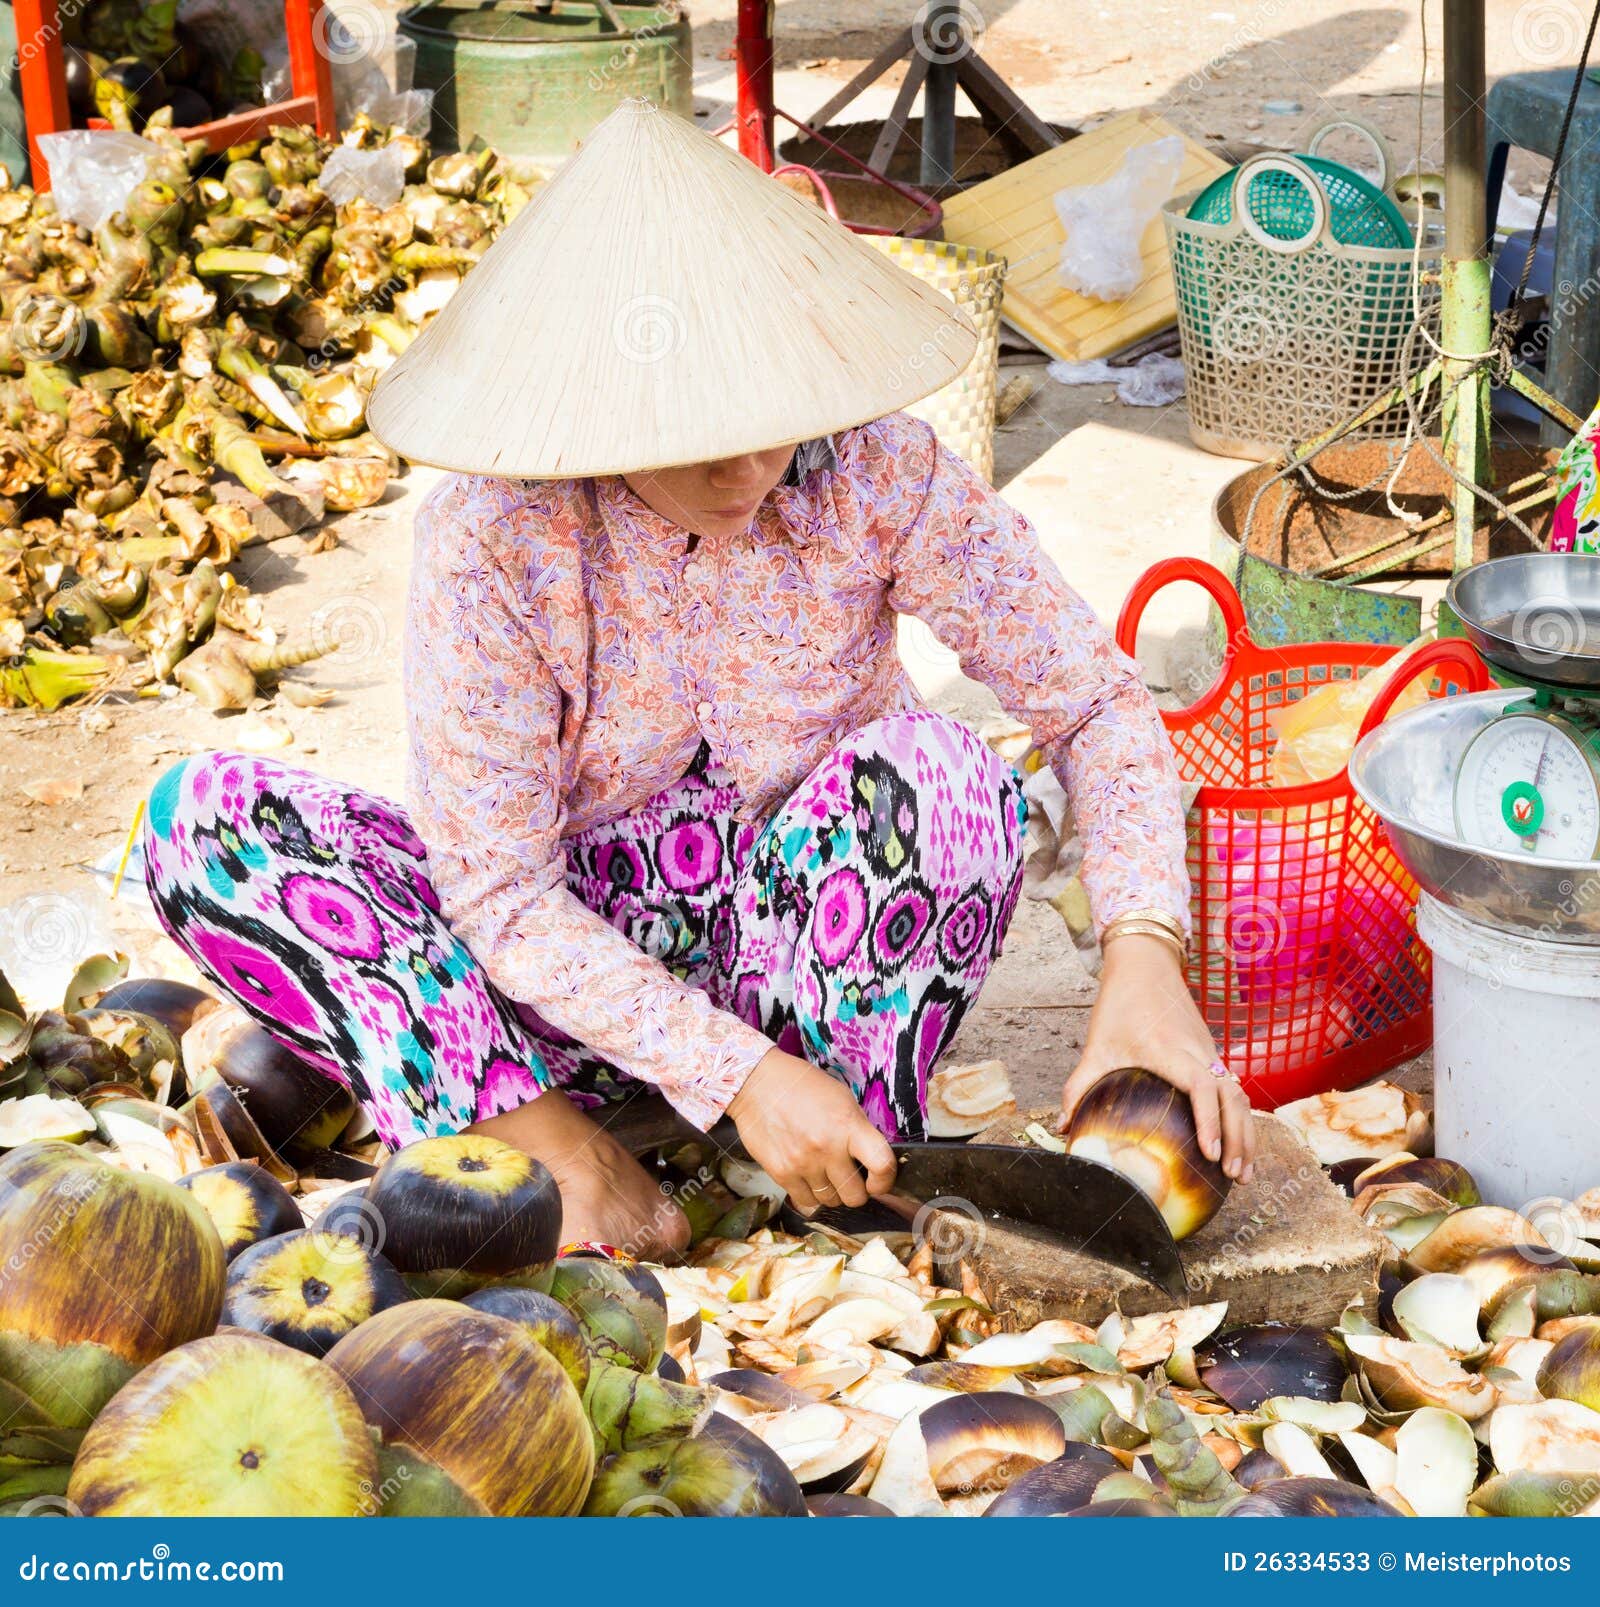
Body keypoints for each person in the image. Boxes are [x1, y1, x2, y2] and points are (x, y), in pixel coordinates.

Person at [143, 102, 1253, 1256]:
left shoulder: (879, 469)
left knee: (946, 780)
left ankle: (813, 1156)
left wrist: (1143, 959)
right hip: (551, 987)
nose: (746, 466)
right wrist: (730, 1071)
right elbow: (501, 892)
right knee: (204, 822)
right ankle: (557, 1139)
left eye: (772, 422)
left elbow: (1093, 701)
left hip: (807, 963)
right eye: (694, 435)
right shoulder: (497, 538)